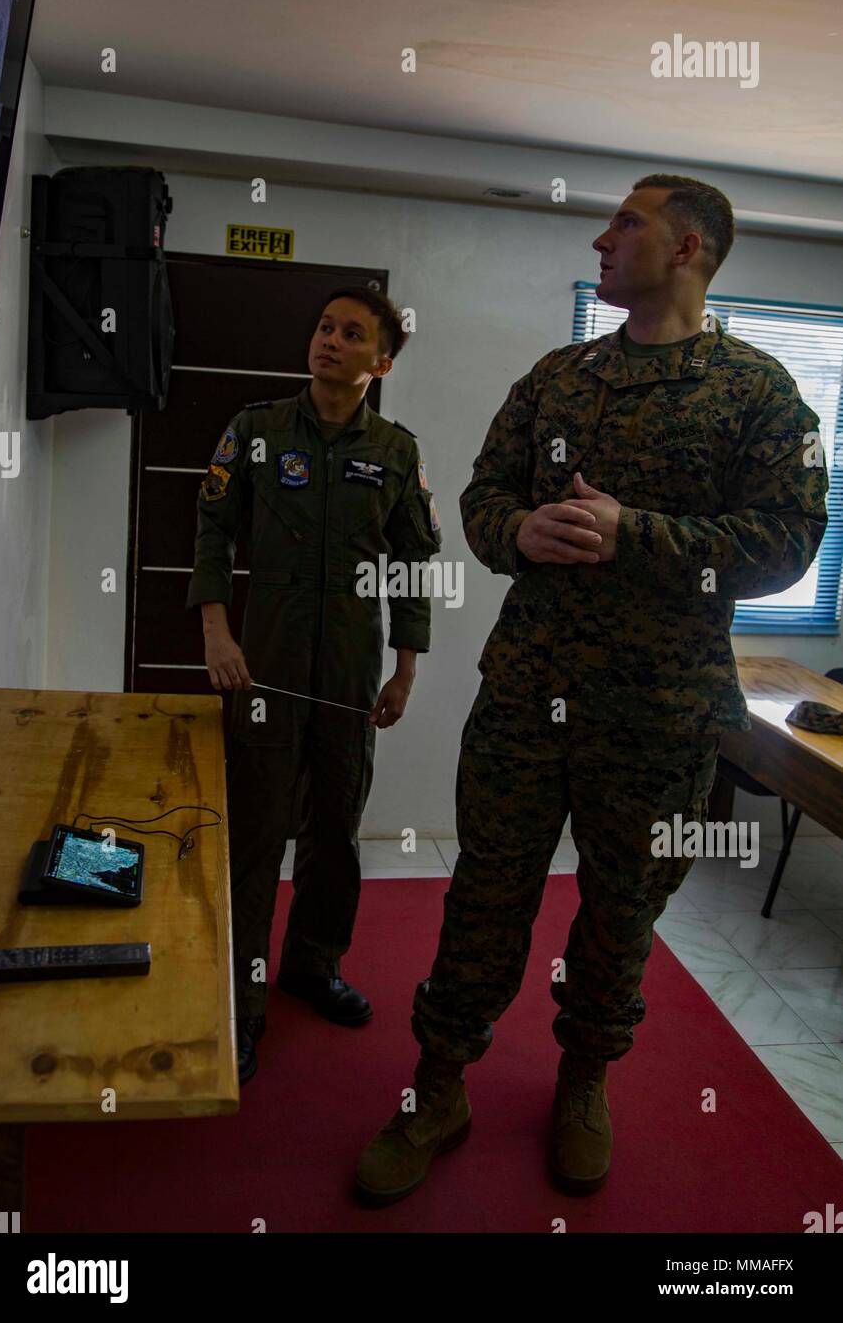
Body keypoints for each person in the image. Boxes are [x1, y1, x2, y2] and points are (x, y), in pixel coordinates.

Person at [355, 174, 829, 1204]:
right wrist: (515, 531)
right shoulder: (556, 378)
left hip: (658, 714)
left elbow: (787, 544)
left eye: (625, 222)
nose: (601, 237)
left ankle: (581, 1082)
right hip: (527, 693)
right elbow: (483, 494)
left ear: (688, 246)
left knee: (619, 914)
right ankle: (437, 1088)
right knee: (484, 896)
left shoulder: (758, 395)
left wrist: (636, 532)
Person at [186, 287, 441, 1084]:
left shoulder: (397, 452)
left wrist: (406, 668)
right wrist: (215, 630)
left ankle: (312, 964)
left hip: (351, 675)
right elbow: (213, 531)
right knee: (259, 834)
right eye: (326, 327)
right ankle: (246, 998)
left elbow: (412, 565)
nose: (330, 341)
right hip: (263, 667)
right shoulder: (256, 432)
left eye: (352, 333)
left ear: (382, 361)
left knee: (334, 832)